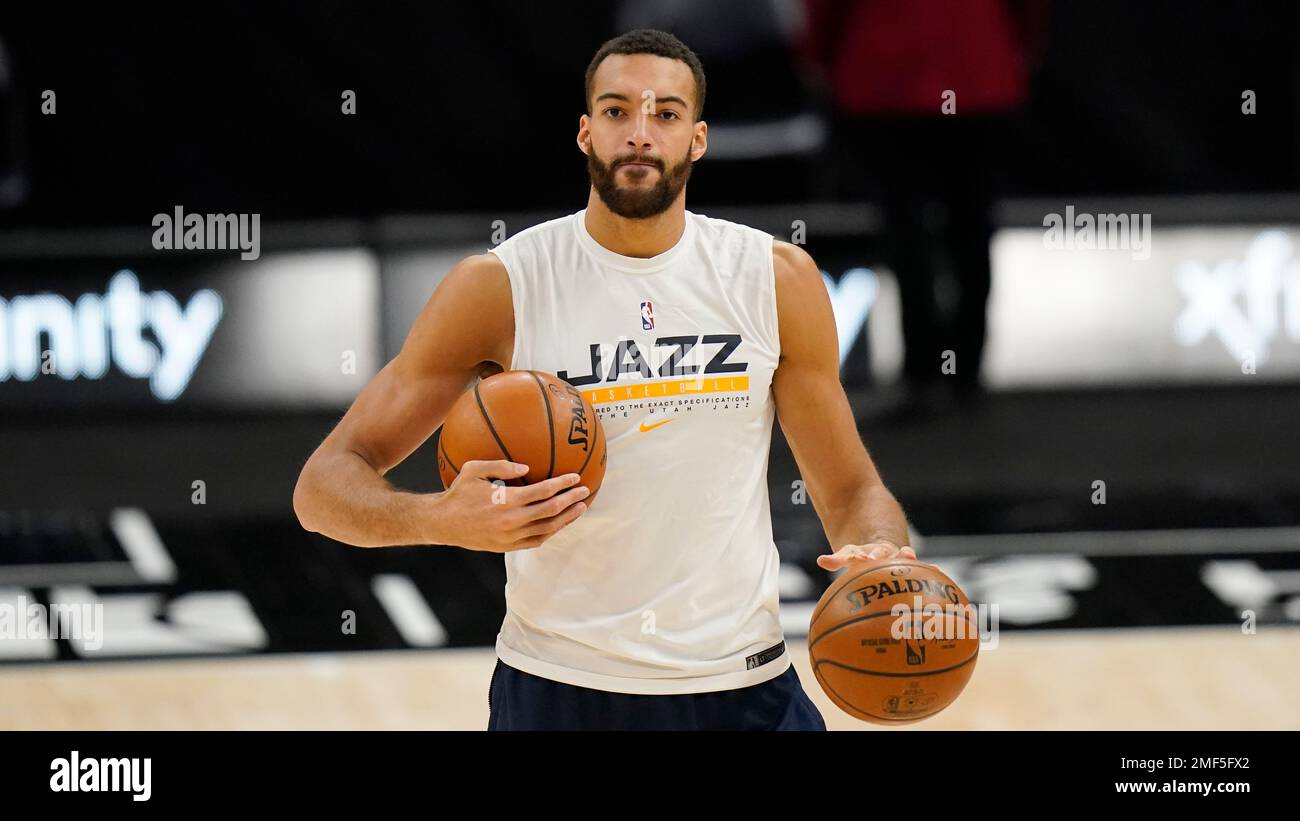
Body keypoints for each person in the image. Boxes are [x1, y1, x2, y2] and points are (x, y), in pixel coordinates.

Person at [293, 28, 914, 731]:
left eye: (666, 114)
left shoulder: (772, 280)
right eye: (618, 111)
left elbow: (852, 490)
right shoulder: (500, 287)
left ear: (699, 139)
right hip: (562, 693)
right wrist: (441, 519)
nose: (640, 134)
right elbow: (322, 488)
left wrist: (878, 550)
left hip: (745, 689)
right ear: (585, 132)